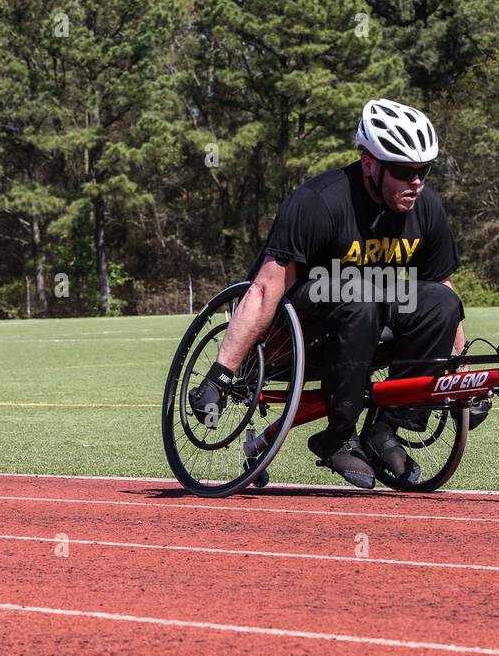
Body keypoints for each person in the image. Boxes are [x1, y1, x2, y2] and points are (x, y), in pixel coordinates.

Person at [189, 99, 465, 489]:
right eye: (404, 171)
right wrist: (220, 375)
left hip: (364, 326)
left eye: (424, 170)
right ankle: (337, 436)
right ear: (369, 162)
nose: (416, 182)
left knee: (442, 302)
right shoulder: (320, 201)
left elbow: (442, 289)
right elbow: (265, 289)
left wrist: (457, 374)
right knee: (363, 296)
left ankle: (385, 430)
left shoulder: (427, 208)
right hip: (290, 335)